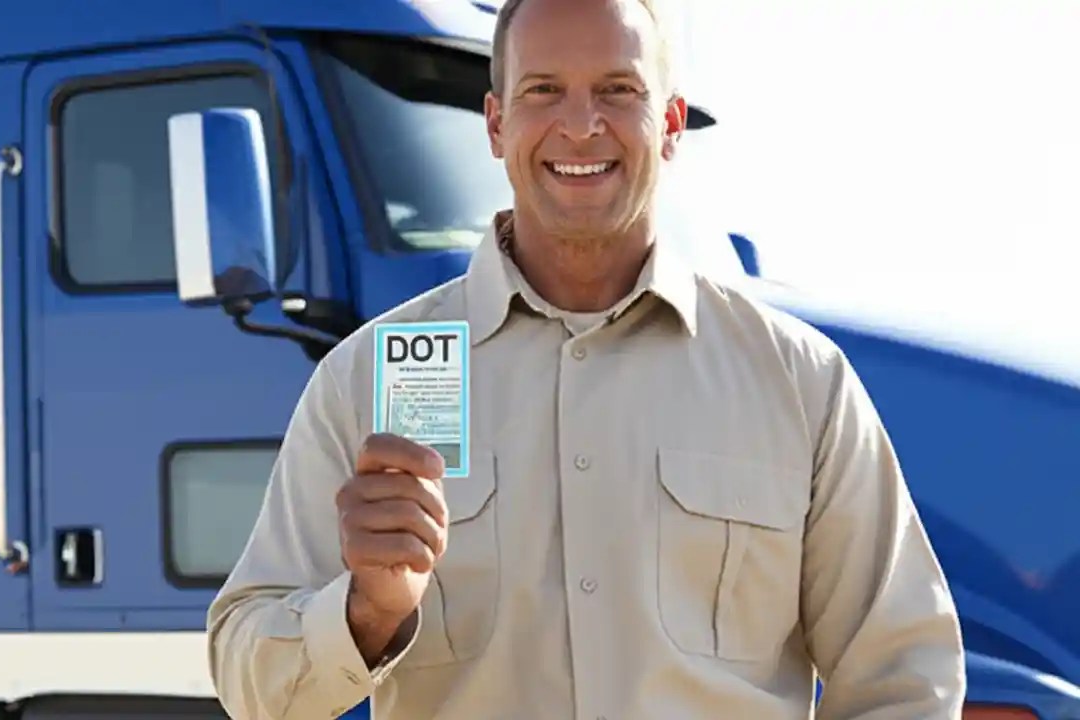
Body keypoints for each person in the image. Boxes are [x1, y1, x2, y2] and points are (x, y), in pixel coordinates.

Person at [205, 0, 967, 717]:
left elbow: (906, 678)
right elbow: (250, 684)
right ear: (497, 124)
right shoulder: (368, 382)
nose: (579, 125)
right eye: (543, 90)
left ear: (670, 125)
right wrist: (367, 610)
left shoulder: (800, 383)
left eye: (617, 90)